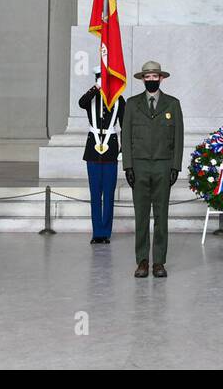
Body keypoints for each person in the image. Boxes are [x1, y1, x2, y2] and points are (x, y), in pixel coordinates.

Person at [120, 60, 184, 278]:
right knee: (141, 216)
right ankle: (142, 261)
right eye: (147, 78)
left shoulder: (172, 104)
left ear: (161, 78)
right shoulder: (132, 104)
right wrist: (127, 165)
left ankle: (159, 262)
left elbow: (178, 137)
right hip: (138, 166)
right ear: (142, 80)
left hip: (163, 165)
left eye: (154, 77)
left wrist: (176, 166)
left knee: (161, 216)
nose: (151, 81)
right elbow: (126, 136)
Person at [79, 71, 121, 244]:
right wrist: (96, 88)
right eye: (100, 79)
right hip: (93, 150)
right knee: (95, 193)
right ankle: (97, 232)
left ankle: (106, 232)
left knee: (109, 193)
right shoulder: (92, 99)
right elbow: (81, 103)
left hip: (110, 149)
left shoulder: (119, 100)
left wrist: (123, 148)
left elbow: (125, 124)